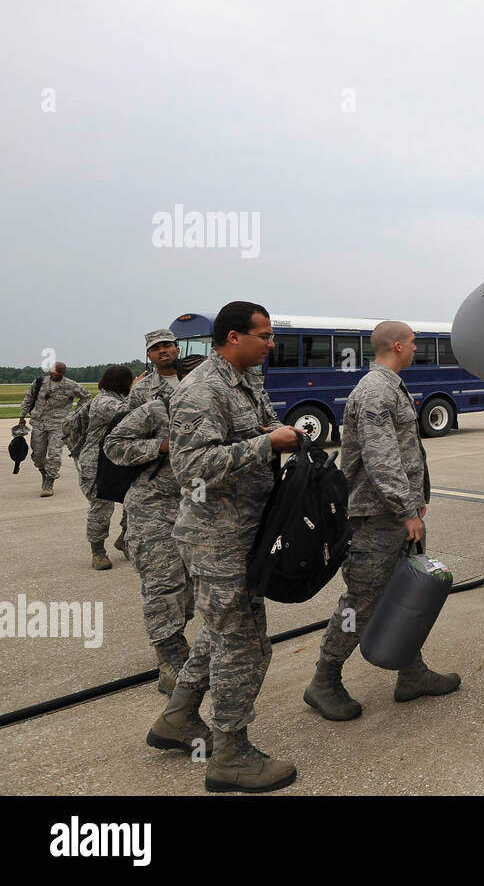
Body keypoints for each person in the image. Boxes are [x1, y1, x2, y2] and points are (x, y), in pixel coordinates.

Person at [146, 301, 304, 793]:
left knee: (218, 635)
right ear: (233, 337)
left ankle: (178, 719)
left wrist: (265, 434)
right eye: (265, 335)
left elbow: (231, 437)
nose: (271, 344)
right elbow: (191, 468)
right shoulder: (203, 388)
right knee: (244, 644)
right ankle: (231, 754)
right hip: (217, 539)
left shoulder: (244, 381)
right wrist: (267, 445)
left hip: (241, 532)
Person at [304, 320, 460, 721]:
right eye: (412, 343)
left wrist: (413, 502)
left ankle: (412, 674)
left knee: (404, 595)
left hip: (392, 514)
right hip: (375, 518)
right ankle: (324, 680)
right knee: (364, 601)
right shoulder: (375, 391)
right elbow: (381, 458)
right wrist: (405, 509)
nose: (415, 348)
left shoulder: (390, 385)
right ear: (396, 345)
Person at [103, 354, 204, 694]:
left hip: (196, 509)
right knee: (164, 585)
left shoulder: (220, 412)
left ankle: (176, 643)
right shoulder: (156, 410)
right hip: (153, 508)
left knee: (189, 589)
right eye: (191, 377)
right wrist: (159, 445)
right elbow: (114, 446)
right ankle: (169, 661)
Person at [108, 330, 182, 554]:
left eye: (167, 345)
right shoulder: (141, 389)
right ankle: (129, 534)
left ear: (177, 349)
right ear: (149, 355)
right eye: (156, 348)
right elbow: (128, 432)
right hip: (160, 469)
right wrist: (159, 446)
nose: (163, 351)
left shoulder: (198, 378)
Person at [77, 366, 134, 570]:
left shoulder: (117, 399)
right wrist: (139, 389)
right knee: (102, 506)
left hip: (119, 460)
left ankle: (125, 539)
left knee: (135, 500)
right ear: (122, 382)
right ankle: (98, 551)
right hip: (97, 462)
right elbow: (132, 414)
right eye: (130, 380)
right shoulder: (105, 402)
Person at [17, 362, 91, 496]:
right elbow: (29, 398)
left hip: (58, 425)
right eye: (53, 371)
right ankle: (43, 472)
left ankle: (49, 482)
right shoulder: (39, 382)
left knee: (54, 454)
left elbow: (86, 396)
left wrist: (73, 414)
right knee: (38, 454)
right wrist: (22, 415)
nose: (55, 373)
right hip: (39, 422)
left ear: (63, 373)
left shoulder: (70, 385)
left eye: (59, 372)